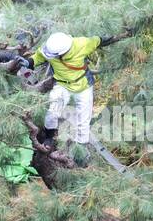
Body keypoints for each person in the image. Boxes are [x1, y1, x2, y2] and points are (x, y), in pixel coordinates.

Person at [31, 32, 101, 160]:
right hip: (62, 85)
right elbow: (38, 56)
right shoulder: (50, 48)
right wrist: (29, 61)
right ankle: (49, 137)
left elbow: (97, 39)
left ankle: (81, 149)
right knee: (52, 112)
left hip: (83, 86)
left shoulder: (82, 43)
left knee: (83, 120)